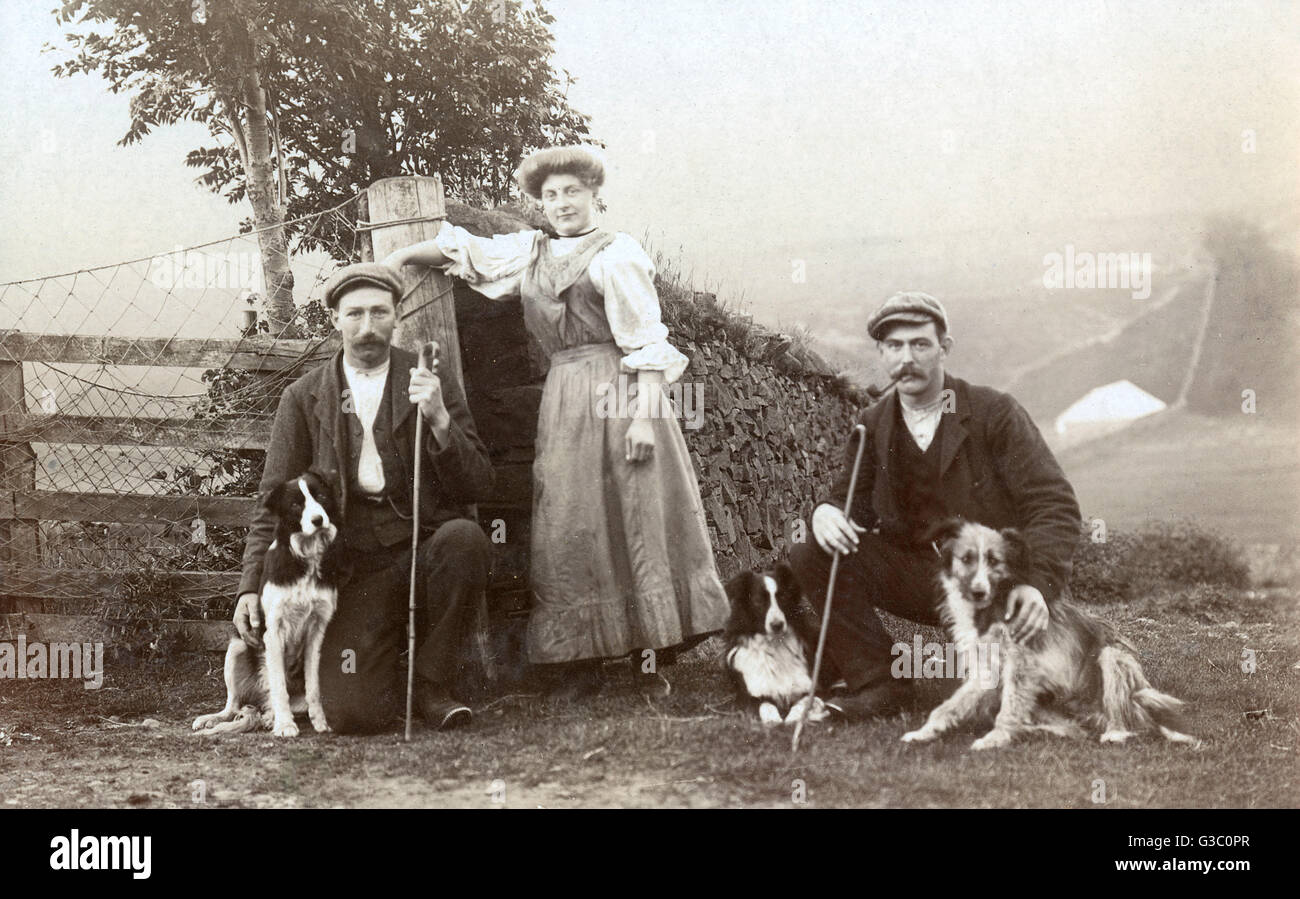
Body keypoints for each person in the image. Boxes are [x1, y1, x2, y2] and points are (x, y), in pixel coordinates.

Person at [383, 145, 729, 696]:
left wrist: (642, 419)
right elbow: (466, 250)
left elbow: (644, 341)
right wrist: (399, 261)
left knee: (634, 519)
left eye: (572, 192)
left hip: (620, 395)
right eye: (550, 195)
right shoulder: (530, 251)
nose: (562, 203)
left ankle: (648, 661)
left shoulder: (620, 254)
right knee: (570, 522)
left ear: (596, 195)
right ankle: (583, 660)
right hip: (565, 398)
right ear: (539, 203)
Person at [786, 291, 1082, 719]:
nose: (907, 358)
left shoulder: (993, 413)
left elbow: (1053, 504)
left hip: (995, 584)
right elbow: (850, 500)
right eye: (895, 346)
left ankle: (1027, 665)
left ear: (944, 348)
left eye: (920, 344)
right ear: (882, 353)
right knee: (811, 549)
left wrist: (1035, 583)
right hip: (921, 580)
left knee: (1029, 697)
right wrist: (826, 512)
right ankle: (878, 682)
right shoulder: (873, 424)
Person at [232, 262, 496, 733]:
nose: (367, 327)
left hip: (421, 545)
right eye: (354, 314)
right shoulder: (305, 396)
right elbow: (271, 499)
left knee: (467, 540)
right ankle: (386, 677)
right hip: (351, 570)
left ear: (397, 316)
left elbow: (479, 483)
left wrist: (438, 419)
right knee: (354, 713)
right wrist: (250, 585)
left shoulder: (427, 379)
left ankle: (429, 684)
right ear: (335, 319)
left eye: (379, 313)